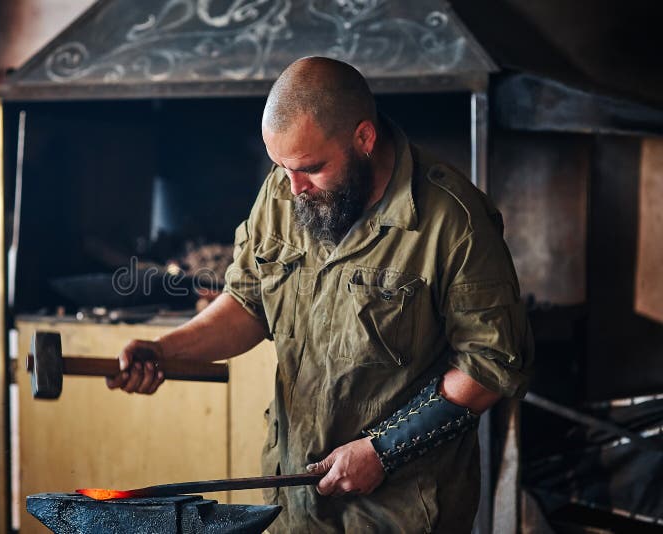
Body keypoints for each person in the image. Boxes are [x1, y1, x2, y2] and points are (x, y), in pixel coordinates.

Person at [107, 56, 533, 532]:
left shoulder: (453, 222)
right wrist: (166, 350)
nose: (293, 188)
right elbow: (248, 302)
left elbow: (491, 365)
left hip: (398, 512)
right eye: (281, 168)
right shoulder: (285, 190)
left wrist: (383, 450)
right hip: (291, 500)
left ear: (364, 139)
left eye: (310, 168)